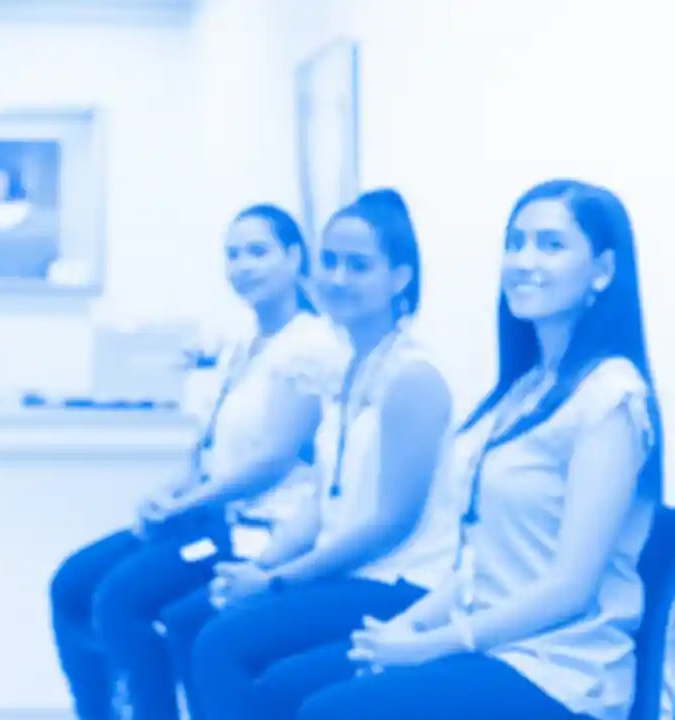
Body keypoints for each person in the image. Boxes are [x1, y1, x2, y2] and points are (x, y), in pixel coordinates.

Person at [293, 180, 662, 720]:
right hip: (490, 643)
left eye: (551, 245)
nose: (523, 260)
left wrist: (430, 645)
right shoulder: (520, 391)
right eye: (515, 243)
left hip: (558, 671)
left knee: (331, 711)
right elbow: (484, 564)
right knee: (294, 689)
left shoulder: (610, 398)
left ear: (603, 270)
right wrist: (412, 624)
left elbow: (570, 587)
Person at [48, 204, 343, 720]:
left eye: (258, 252)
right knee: (73, 582)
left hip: (255, 531)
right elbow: (211, 450)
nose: (243, 266)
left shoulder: (311, 345)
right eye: (233, 254)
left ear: (295, 258)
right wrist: (169, 493)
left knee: (120, 600)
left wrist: (191, 501)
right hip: (206, 514)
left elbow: (274, 458)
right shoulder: (243, 345)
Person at [170, 189, 455, 720]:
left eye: (359, 266)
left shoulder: (413, 377)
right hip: (348, 573)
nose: (339, 278)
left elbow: (391, 523)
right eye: (331, 262)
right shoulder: (350, 367)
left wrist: (280, 579)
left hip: (399, 584)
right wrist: (261, 564)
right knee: (201, 620)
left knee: (222, 646)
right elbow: (323, 503)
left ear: (400, 277)